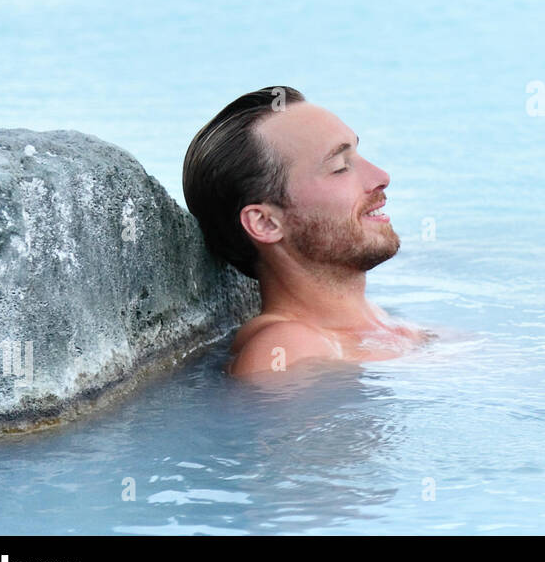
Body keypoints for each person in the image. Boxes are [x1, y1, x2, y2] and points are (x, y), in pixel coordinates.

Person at [183, 86, 429, 378]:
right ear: (265, 223)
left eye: (358, 154)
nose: (381, 177)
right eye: (340, 167)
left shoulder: (377, 322)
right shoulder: (287, 350)